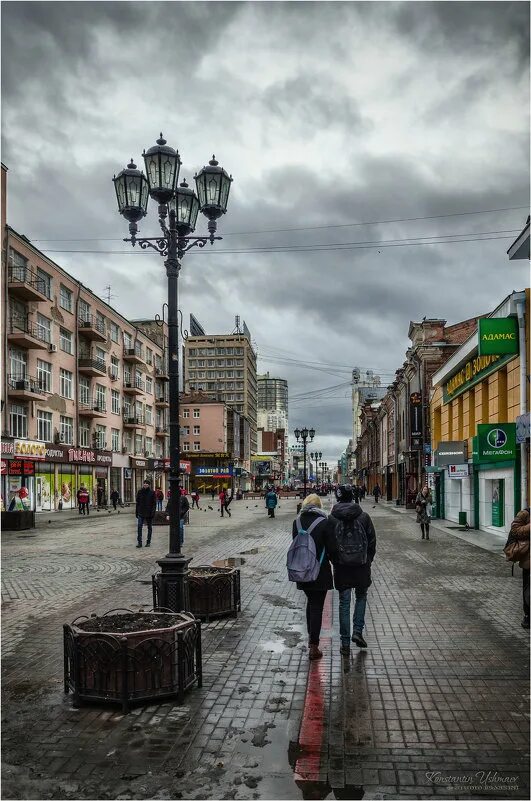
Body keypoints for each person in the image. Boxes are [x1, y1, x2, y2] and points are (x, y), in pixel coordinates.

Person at [325, 484, 376, 655]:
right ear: (352, 496)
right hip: (361, 566)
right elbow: (372, 542)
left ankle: (345, 643)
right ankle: (357, 632)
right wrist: (367, 560)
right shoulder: (364, 517)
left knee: (344, 603)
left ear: (338, 497)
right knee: (361, 597)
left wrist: (335, 561)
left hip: (342, 567)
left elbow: (329, 545)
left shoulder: (332, 519)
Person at [291, 494, 334, 660]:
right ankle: (314, 647)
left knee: (311, 603)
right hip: (319, 571)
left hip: (302, 570)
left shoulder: (297, 522)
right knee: (317, 607)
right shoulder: (325, 522)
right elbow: (331, 548)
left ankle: (311, 640)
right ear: (319, 506)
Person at [507, 508, 530, 629]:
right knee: (528, 590)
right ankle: (528, 616)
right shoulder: (525, 513)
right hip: (529, 561)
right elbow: (514, 531)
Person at [135, 480, 156, 548]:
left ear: (149, 485)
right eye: (144, 484)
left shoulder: (152, 492)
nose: (145, 485)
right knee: (139, 526)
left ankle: (148, 542)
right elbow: (137, 503)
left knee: (149, 527)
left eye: (146, 484)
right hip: (141, 512)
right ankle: (139, 542)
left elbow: (154, 504)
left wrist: (153, 512)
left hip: (149, 513)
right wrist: (137, 512)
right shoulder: (140, 492)